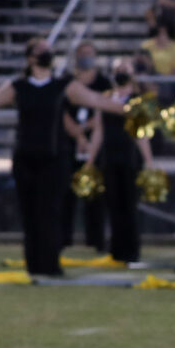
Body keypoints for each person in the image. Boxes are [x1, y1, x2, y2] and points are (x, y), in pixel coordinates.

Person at [0, 38, 128, 277]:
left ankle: (50, 265)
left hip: (54, 159)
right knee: (30, 214)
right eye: (41, 50)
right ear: (30, 58)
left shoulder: (64, 85)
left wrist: (130, 110)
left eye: (48, 50)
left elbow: (97, 100)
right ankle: (33, 265)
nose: (47, 53)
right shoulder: (18, 86)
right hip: (25, 158)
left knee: (50, 212)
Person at [94, 56, 157, 265]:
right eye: (118, 69)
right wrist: (90, 160)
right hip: (109, 157)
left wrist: (148, 161)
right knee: (112, 204)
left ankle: (131, 251)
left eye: (125, 69)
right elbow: (98, 131)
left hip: (129, 158)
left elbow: (141, 134)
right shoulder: (105, 98)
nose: (121, 73)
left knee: (129, 205)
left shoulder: (138, 100)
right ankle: (116, 250)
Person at [60, 40, 108, 254]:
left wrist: (86, 132)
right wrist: (78, 134)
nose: (86, 57)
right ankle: (63, 239)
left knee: (96, 194)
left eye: (89, 53)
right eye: (82, 53)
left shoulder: (104, 82)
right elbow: (61, 112)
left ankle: (95, 240)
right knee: (65, 193)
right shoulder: (66, 81)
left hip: (96, 143)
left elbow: (105, 110)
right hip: (69, 143)